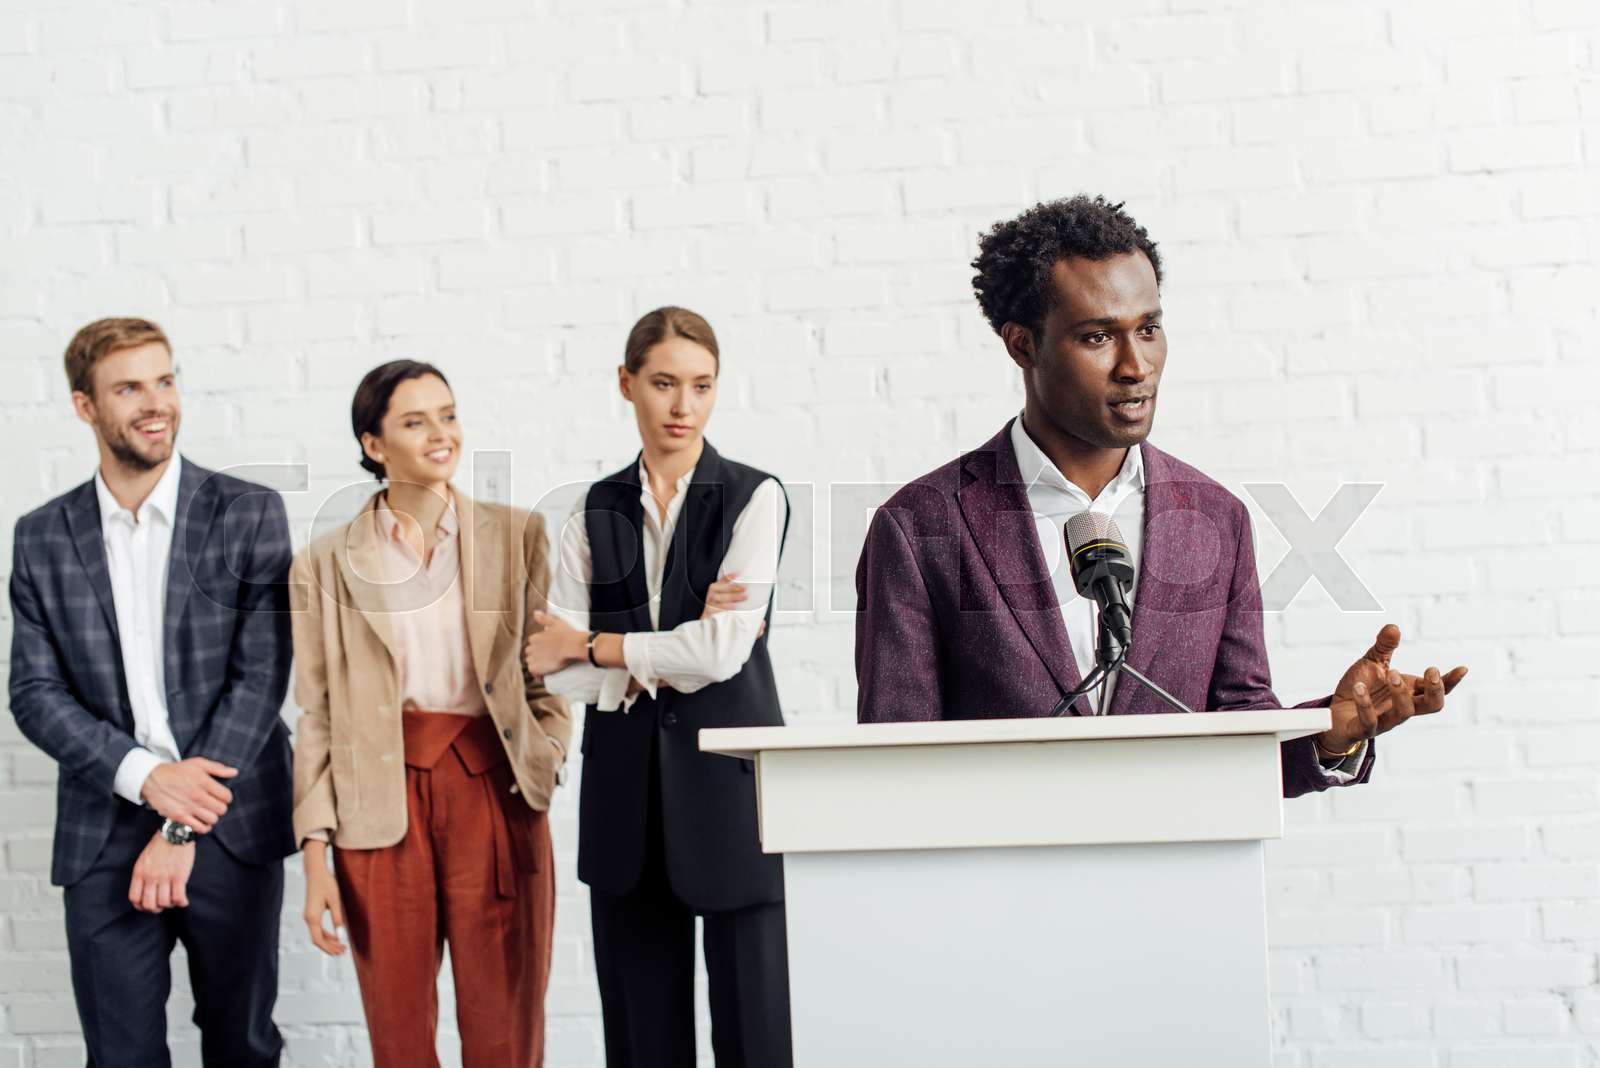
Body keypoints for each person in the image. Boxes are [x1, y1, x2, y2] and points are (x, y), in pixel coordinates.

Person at [855, 195, 1469, 794]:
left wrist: (1329, 734)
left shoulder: (1214, 517)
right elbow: (894, 763)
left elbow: (1234, 727)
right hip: (992, 883)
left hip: (1181, 886)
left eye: (1148, 329)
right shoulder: (920, 526)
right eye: (1098, 337)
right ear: (1023, 345)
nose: (1135, 365)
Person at [8, 317, 294, 1066]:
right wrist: (147, 779)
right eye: (128, 387)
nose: (154, 402)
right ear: (84, 407)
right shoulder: (41, 537)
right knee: (120, 1056)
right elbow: (35, 693)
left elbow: (261, 677)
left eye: (164, 380)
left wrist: (179, 823)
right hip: (103, 835)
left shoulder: (249, 512)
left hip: (229, 826)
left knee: (243, 1047)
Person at [524, 306, 793, 1068]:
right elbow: (555, 660)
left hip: (734, 798)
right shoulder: (590, 509)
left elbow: (720, 652)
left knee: (758, 1039)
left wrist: (602, 646)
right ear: (626, 384)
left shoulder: (754, 497)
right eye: (665, 384)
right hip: (625, 804)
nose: (684, 406)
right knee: (641, 1045)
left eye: (702, 386)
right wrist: (644, 652)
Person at [289, 360, 570, 1067]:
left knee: (506, 1027)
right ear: (375, 445)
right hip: (377, 808)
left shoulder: (517, 535)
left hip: (494, 792)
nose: (440, 434)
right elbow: (316, 714)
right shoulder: (322, 564)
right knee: (400, 1035)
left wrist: (548, 755)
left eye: (447, 414)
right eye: (415, 422)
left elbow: (547, 676)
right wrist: (315, 854)